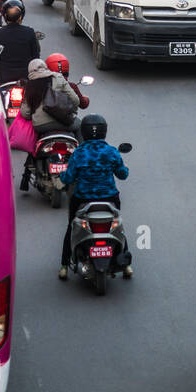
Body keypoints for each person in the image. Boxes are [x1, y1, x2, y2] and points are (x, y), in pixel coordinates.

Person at [59, 115, 130, 278]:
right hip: (110, 198)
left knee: (71, 227)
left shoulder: (78, 153)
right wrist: (124, 167)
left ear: (83, 132)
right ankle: (127, 266)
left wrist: (61, 176)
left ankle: (63, 266)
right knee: (118, 227)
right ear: (104, 131)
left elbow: (68, 178)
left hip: (82, 199)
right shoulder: (111, 152)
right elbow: (123, 175)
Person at [0, 2, 41, 87]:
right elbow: (35, 56)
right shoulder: (29, 32)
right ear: (20, 17)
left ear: (5, 16)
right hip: (25, 77)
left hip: (3, 78)